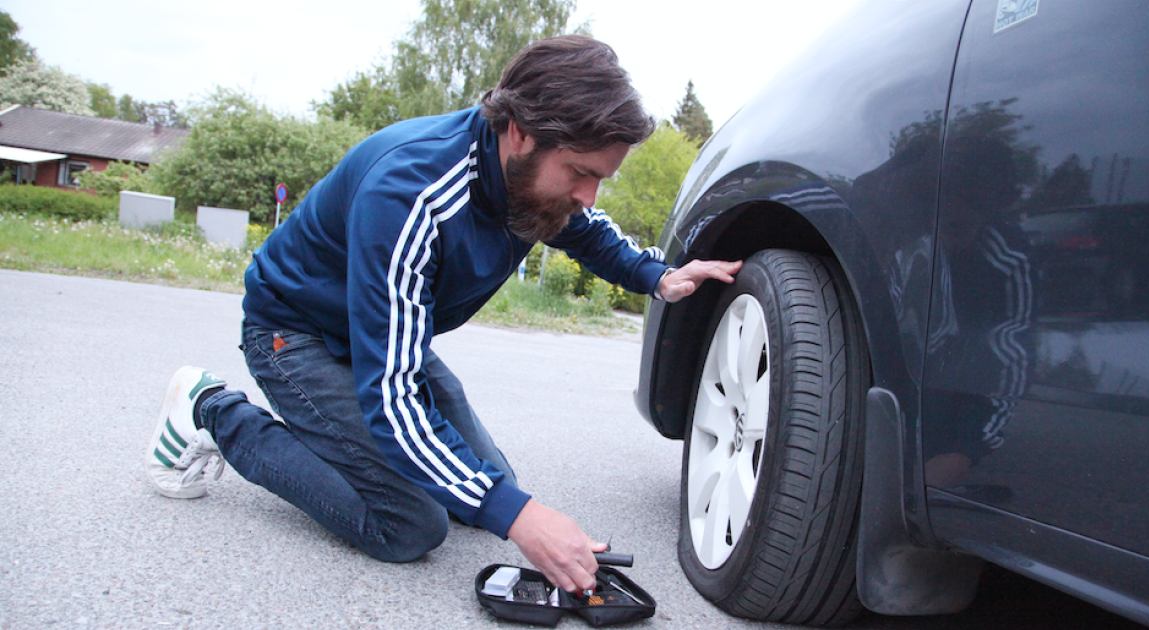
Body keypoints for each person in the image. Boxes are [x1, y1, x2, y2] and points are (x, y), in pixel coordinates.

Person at [141, 35, 742, 595]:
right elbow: (392, 396)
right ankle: (210, 410)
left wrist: (658, 277)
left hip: (377, 332)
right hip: (295, 335)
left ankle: (337, 435)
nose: (588, 195)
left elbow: (583, 230)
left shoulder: (526, 179)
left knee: (485, 488)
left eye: (600, 179)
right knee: (410, 523)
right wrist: (523, 519)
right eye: (582, 173)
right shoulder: (412, 194)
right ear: (520, 133)